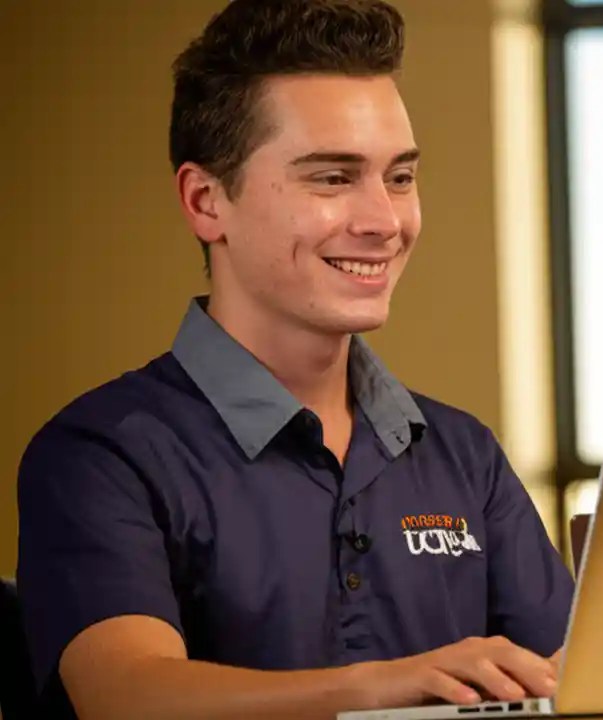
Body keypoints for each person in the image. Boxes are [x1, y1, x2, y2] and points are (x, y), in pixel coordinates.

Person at [16, 1, 574, 718]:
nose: (384, 222)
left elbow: (577, 679)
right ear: (206, 201)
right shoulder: (100, 454)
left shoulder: (465, 455)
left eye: (399, 178)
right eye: (333, 178)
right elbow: (126, 695)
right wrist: (385, 687)